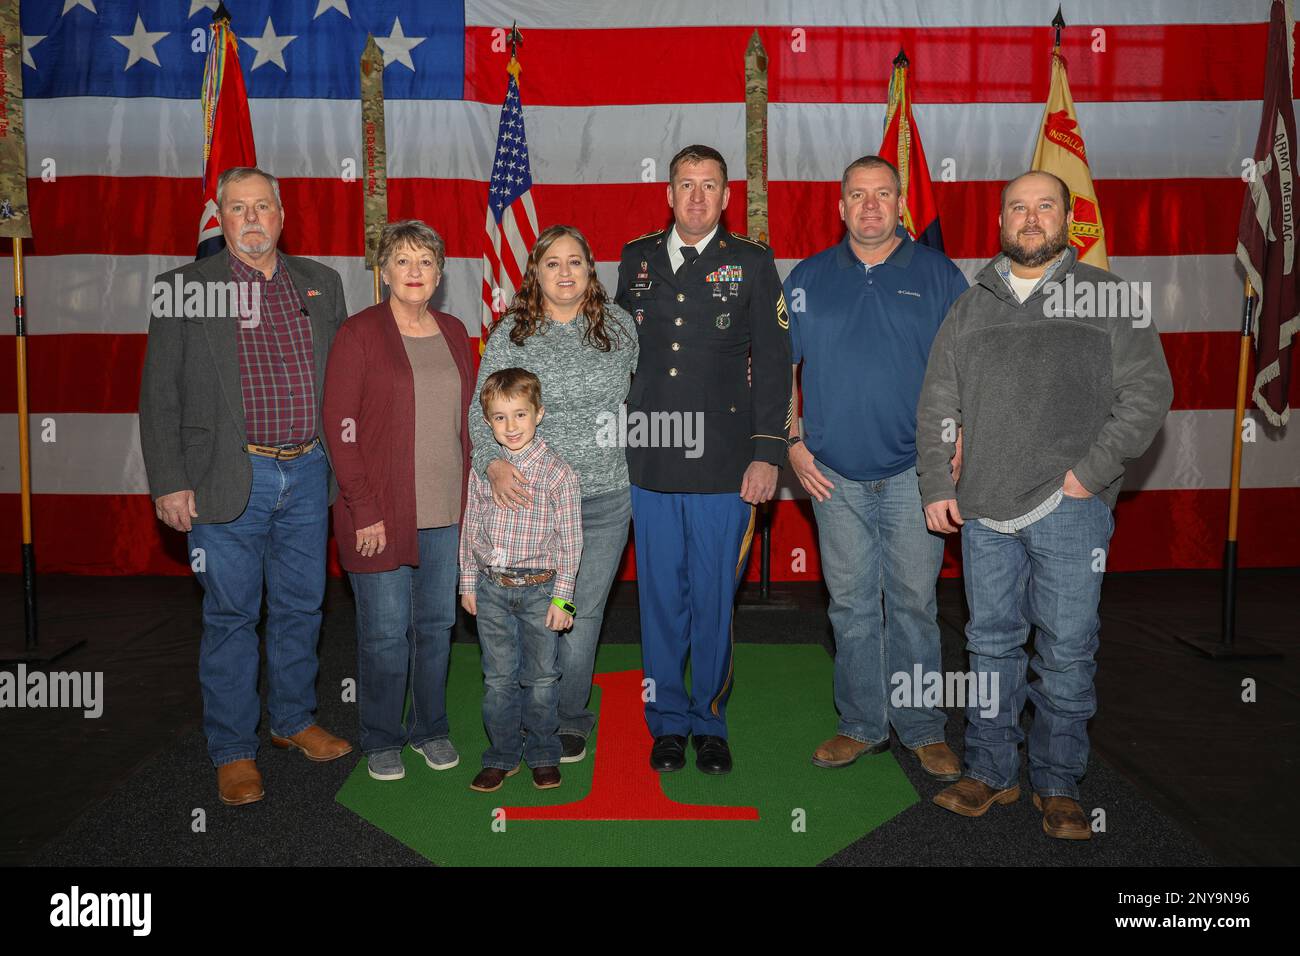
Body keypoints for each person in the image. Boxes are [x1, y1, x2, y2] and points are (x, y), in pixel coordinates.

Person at [915, 170, 1172, 839]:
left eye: (1044, 207)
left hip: (1070, 508)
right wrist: (939, 484)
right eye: (1018, 208)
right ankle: (991, 772)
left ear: (1067, 219)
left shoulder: (1107, 296)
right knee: (989, 644)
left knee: (1066, 651)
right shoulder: (970, 306)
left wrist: (1089, 475)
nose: (1030, 218)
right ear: (1001, 221)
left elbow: (1148, 394)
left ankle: (1057, 781)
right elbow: (939, 403)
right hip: (984, 512)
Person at [139, 166, 352, 807]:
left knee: (301, 606)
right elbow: (158, 395)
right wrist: (170, 482)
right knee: (232, 617)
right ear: (222, 218)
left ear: (282, 216)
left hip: (310, 471)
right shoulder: (183, 289)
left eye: (264, 207)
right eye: (239, 208)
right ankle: (233, 750)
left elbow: (345, 382)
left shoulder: (322, 284)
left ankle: (292, 720)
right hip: (227, 478)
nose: (253, 219)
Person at [785, 155, 970, 780]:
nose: (870, 206)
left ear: (900, 204)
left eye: (882, 194)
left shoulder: (940, 274)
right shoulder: (806, 278)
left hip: (916, 473)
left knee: (915, 602)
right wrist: (792, 443)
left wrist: (961, 438)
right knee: (851, 604)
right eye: (857, 195)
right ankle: (861, 723)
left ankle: (921, 727)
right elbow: (783, 368)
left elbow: (969, 366)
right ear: (840, 207)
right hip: (831, 473)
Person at [615, 144, 792, 775]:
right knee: (660, 595)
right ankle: (665, 722)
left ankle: (709, 720)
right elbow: (616, 356)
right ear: (667, 193)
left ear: (725, 195)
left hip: (724, 462)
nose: (696, 197)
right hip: (652, 457)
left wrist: (768, 453)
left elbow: (774, 364)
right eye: (685, 184)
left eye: (709, 185)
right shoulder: (636, 258)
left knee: (715, 597)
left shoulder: (751, 261)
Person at [471, 225, 638, 765]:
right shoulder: (510, 335)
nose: (565, 273)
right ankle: (522, 714)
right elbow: (481, 410)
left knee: (580, 612)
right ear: (535, 272)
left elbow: (650, 395)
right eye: (552, 263)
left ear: (591, 268)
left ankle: (568, 717)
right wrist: (490, 462)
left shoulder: (620, 326)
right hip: (530, 502)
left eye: (575, 262)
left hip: (606, 496)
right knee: (530, 616)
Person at [322, 220, 475, 782]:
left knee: (436, 628)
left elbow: (471, 423)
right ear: (383, 271)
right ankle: (382, 736)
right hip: (379, 515)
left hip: (446, 514)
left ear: (439, 273)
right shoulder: (358, 334)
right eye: (403, 261)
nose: (415, 272)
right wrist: (363, 508)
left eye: (427, 262)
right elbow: (340, 429)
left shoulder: (456, 332)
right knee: (386, 634)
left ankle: (430, 727)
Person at [459, 369, 583, 792]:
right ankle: (502, 754)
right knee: (497, 679)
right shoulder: (484, 471)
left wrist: (563, 600)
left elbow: (571, 542)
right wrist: (467, 582)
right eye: (498, 417)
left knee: (543, 678)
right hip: (491, 589)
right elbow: (470, 526)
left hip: (541, 590)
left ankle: (544, 753)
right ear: (487, 419)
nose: (510, 427)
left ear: (539, 414)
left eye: (519, 415)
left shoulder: (558, 473)